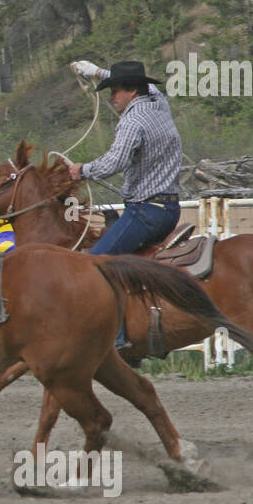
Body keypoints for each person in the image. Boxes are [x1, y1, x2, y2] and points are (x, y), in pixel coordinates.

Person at [69, 59, 182, 358]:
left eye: (115, 91)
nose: (111, 97)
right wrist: (95, 73)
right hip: (169, 210)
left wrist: (81, 170)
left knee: (97, 264)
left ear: (131, 91)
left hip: (145, 212)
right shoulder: (158, 101)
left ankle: (116, 341)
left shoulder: (132, 122)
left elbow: (114, 163)